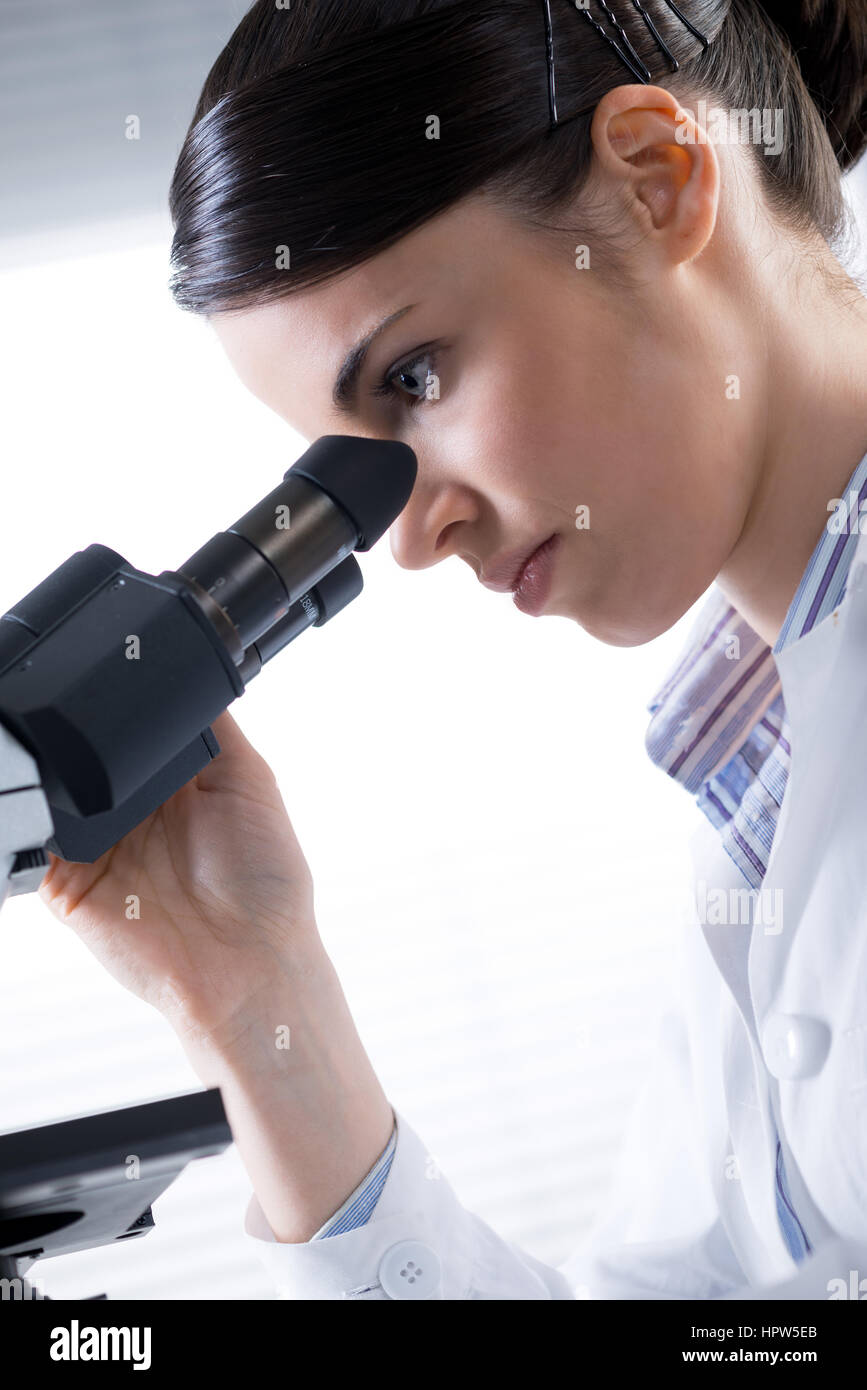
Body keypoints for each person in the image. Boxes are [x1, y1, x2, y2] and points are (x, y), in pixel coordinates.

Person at [39, 0, 867, 1299]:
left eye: (415, 378)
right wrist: (260, 995)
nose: (412, 536)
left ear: (661, 180)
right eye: (351, 470)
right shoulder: (766, 765)